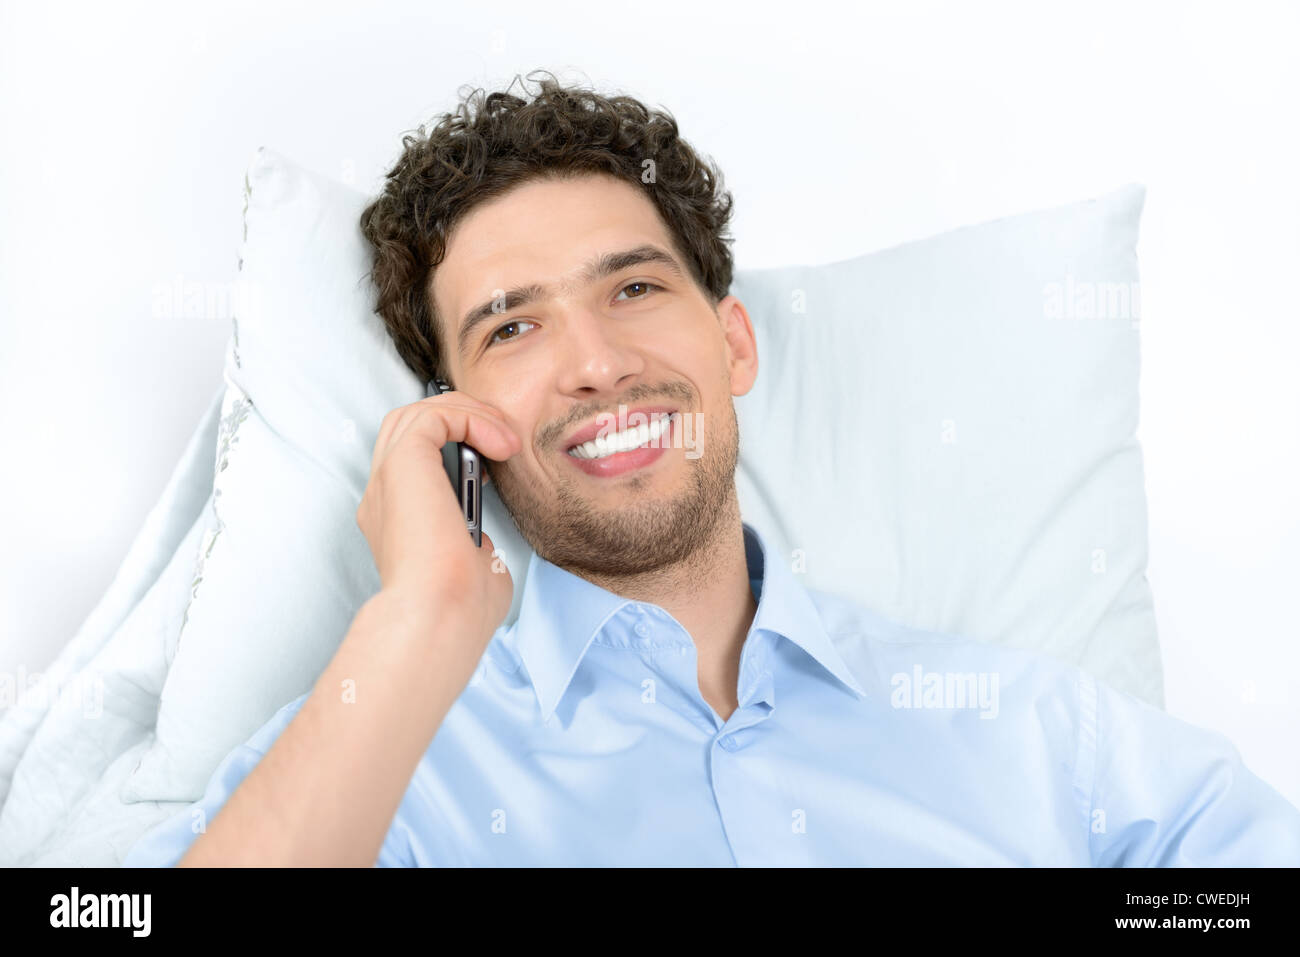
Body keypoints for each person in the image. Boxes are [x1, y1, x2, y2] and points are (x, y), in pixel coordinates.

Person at [124, 71, 1300, 867]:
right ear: (457, 426)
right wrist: (414, 618)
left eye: (634, 288)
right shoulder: (371, 763)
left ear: (732, 344)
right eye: (512, 328)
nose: (596, 362)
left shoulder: (1035, 733)